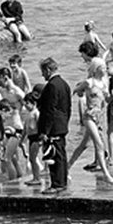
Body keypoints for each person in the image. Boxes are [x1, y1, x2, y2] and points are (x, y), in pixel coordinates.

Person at [36, 58, 72, 192]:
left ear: (48, 70)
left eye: (43, 72)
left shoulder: (51, 85)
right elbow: (68, 106)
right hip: (62, 123)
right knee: (61, 155)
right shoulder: (64, 84)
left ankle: (56, 184)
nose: (42, 75)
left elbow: (49, 110)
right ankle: (62, 182)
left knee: (53, 155)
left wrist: (45, 131)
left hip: (53, 126)